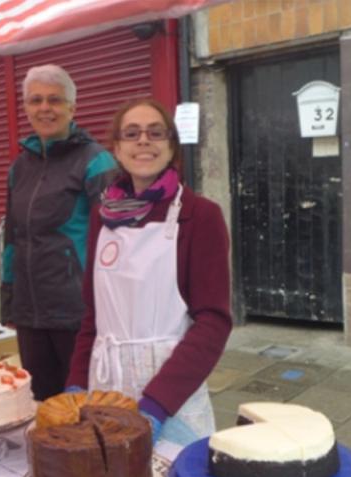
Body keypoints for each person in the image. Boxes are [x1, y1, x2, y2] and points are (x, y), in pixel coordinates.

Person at [65, 98, 232, 446]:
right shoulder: (102, 215)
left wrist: (156, 406)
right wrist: (77, 383)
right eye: (132, 133)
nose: (144, 141)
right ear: (117, 147)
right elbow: (94, 315)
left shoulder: (200, 215)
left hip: (170, 392)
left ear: (171, 146)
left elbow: (213, 322)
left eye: (156, 133)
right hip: (105, 386)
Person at [0, 65, 118, 401]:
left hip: (76, 311)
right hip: (30, 312)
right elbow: (12, 237)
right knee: (42, 403)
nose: (44, 108)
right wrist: (10, 303)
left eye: (54, 100)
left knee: (82, 402)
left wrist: (109, 307)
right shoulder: (19, 167)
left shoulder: (96, 161)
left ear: (72, 108)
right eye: (35, 100)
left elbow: (114, 242)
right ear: (26, 108)